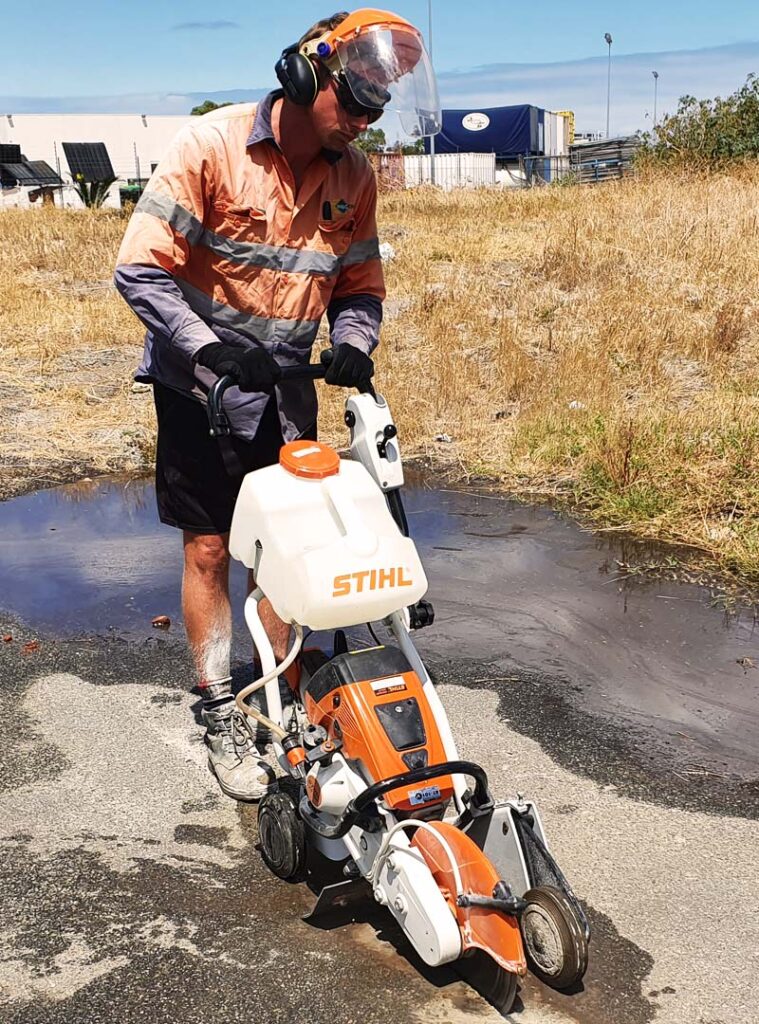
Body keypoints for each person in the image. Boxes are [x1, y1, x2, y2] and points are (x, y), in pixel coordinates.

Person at [114, 8, 440, 802]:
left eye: (377, 105)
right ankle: (219, 704)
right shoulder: (210, 147)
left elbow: (359, 285)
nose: (363, 120)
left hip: (288, 389)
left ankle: (282, 689)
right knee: (209, 549)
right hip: (201, 387)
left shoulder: (353, 177)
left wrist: (353, 341)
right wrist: (210, 350)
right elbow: (141, 270)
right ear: (302, 74)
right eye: (353, 100)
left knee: (289, 548)